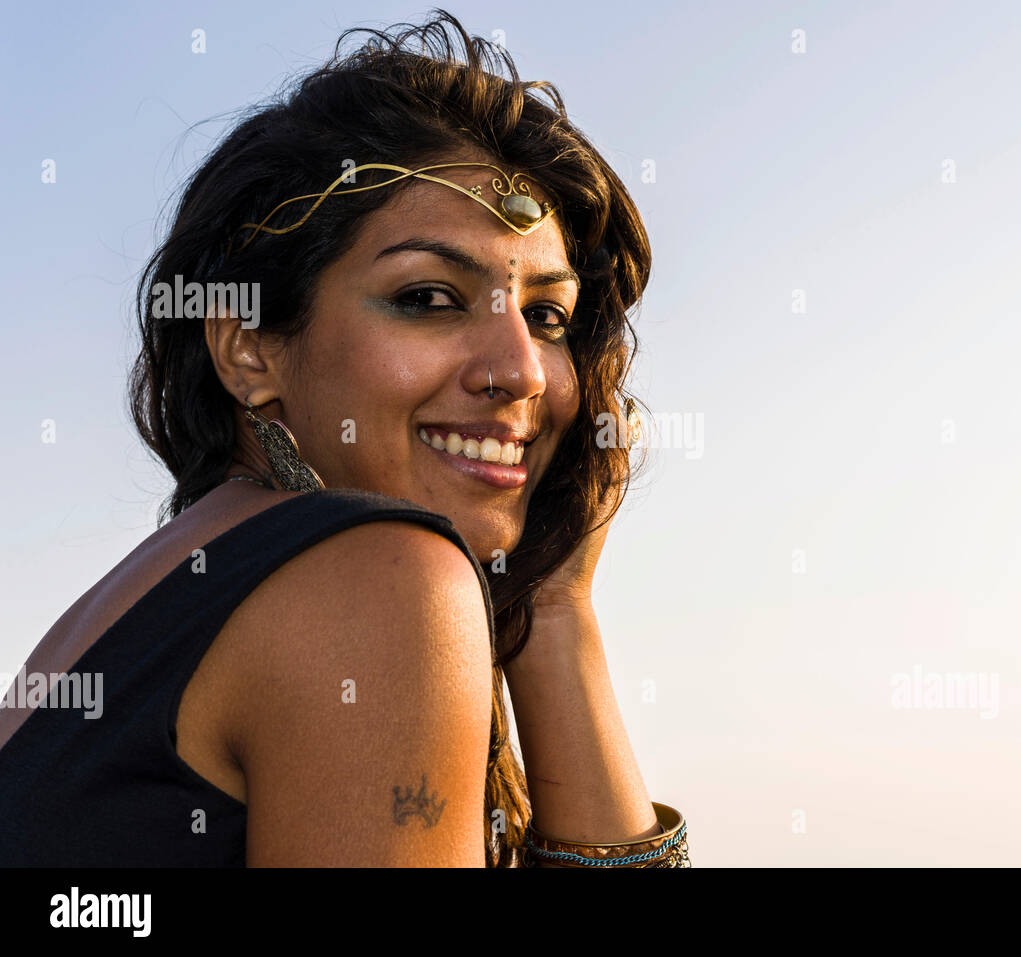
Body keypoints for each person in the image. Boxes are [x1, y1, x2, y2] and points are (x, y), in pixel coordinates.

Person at [0, 11, 688, 868]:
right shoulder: (378, 580)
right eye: (429, 297)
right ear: (249, 349)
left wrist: (551, 609)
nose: (524, 371)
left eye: (547, 315)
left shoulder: (145, 611)